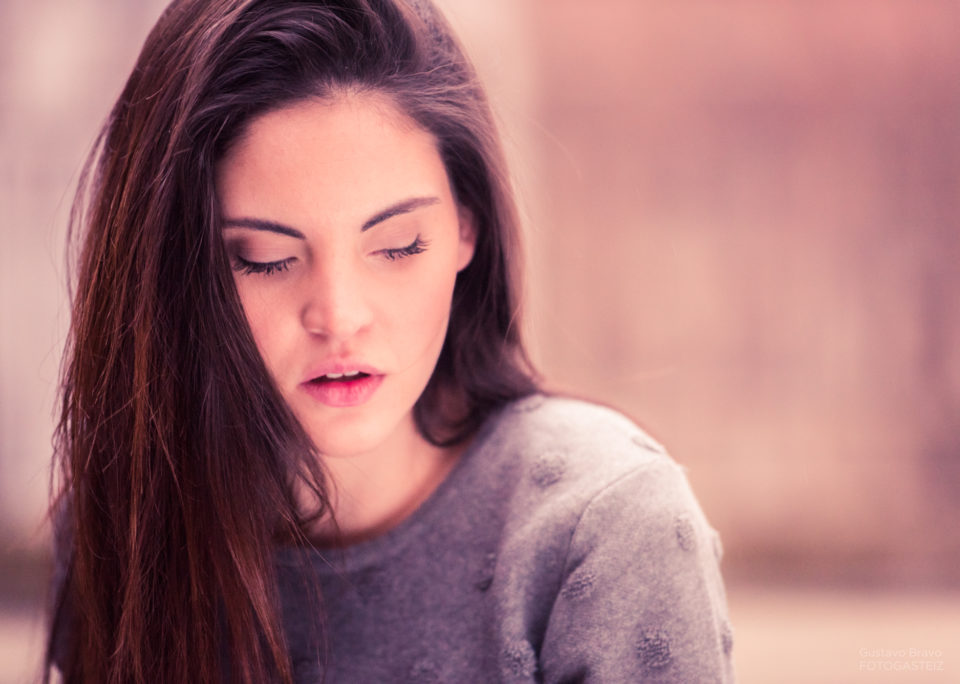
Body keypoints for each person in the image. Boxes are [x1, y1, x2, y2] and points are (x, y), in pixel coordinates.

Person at [46, 0, 735, 681]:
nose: (340, 317)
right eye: (264, 258)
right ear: (175, 266)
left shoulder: (602, 525)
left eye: (399, 245)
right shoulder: (126, 524)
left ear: (467, 226)